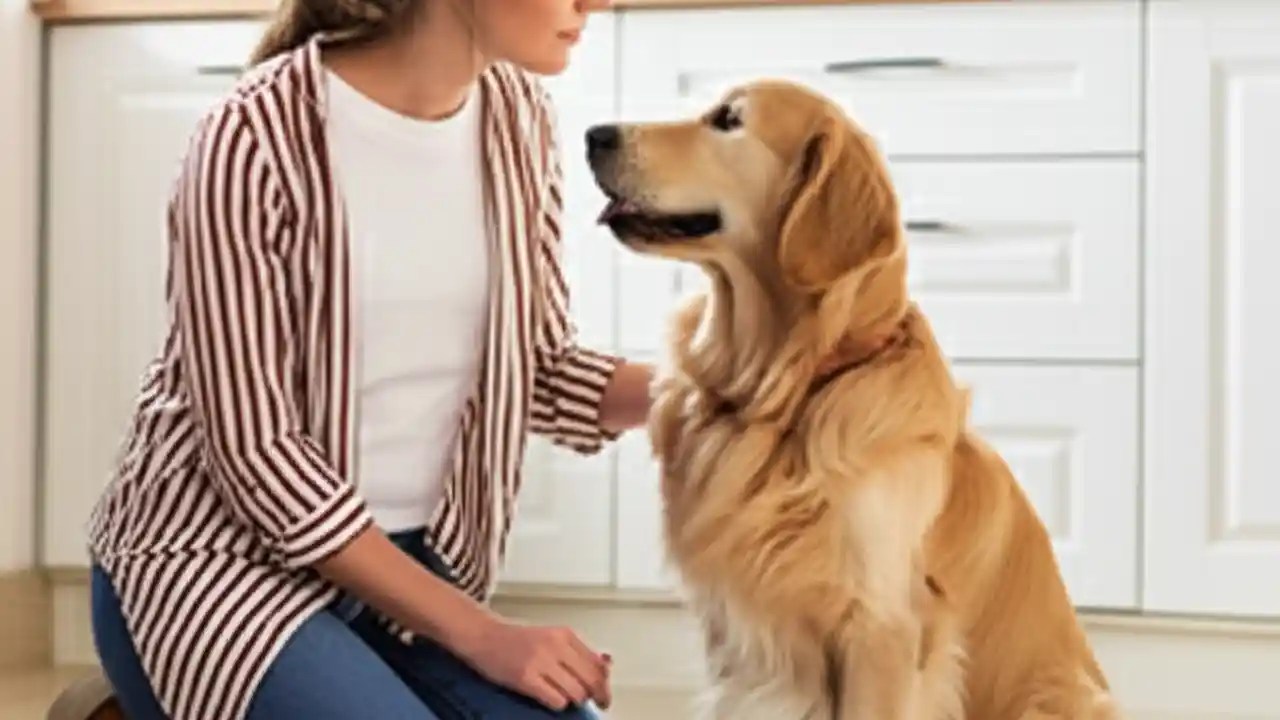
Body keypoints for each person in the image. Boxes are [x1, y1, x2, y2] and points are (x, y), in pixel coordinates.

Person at [80, 1, 654, 718]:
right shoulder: (252, 133)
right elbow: (256, 451)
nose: (596, 2)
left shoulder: (518, 118)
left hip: (403, 581)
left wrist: (708, 391)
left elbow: (529, 369)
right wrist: (484, 635)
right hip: (213, 562)